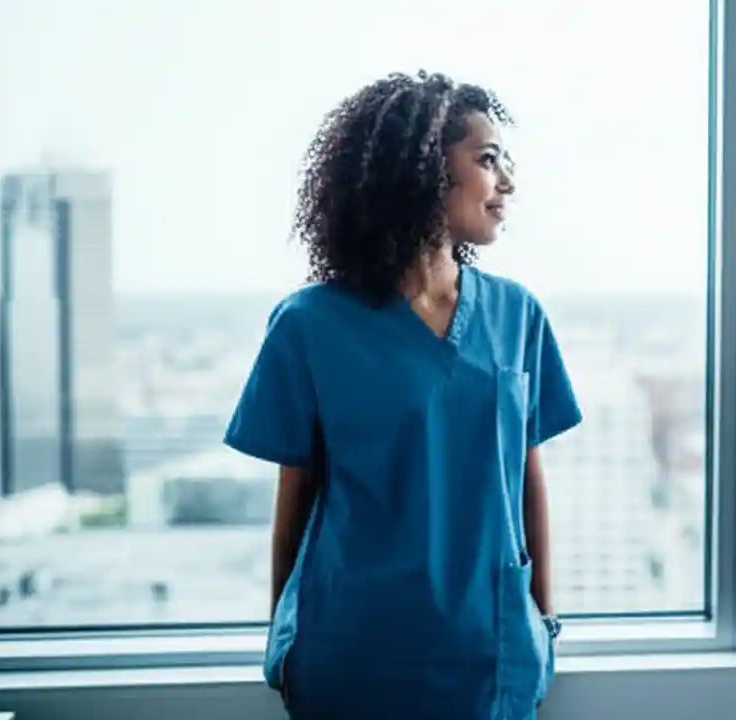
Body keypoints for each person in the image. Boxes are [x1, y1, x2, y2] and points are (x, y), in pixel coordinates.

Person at [224, 70, 582, 719]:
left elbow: (528, 479)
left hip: (490, 652)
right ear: (424, 171)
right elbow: (295, 500)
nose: (507, 183)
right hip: (353, 650)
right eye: (488, 160)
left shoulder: (516, 314)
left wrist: (544, 620)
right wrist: (284, 639)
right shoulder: (310, 325)